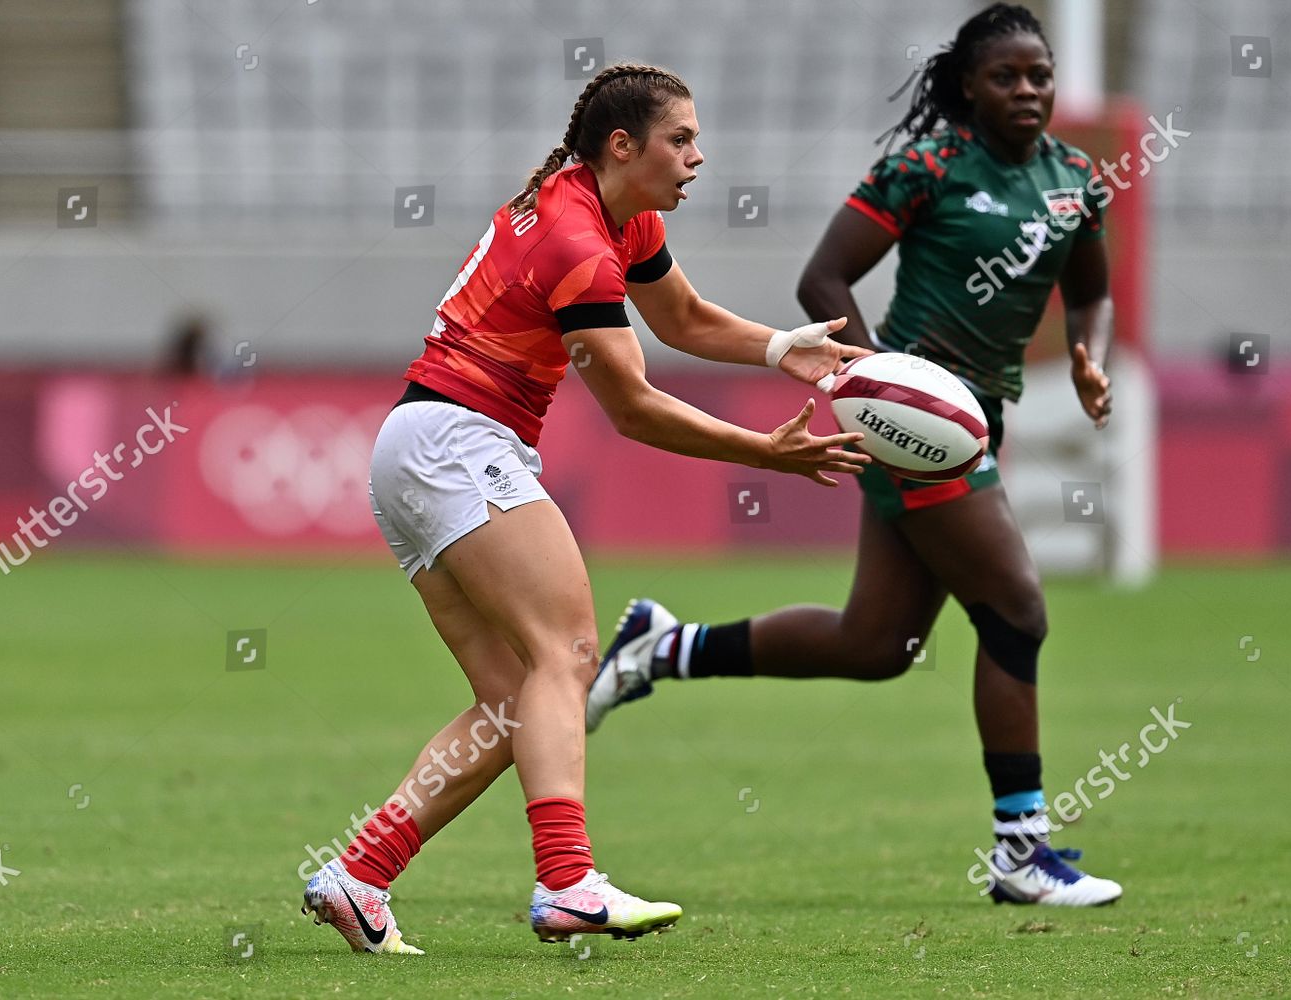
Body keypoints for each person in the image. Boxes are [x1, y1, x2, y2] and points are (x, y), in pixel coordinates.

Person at [299, 63, 870, 954]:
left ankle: (360, 874)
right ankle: (567, 884)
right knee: (567, 652)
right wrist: (765, 453)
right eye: (680, 139)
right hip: (458, 444)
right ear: (622, 145)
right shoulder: (574, 240)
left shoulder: (608, 208)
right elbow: (633, 407)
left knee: (512, 700)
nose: (698, 157)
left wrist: (777, 346)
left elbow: (676, 317)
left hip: (415, 446)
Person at [588, 4, 1122, 907]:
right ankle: (1021, 851)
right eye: (1006, 76)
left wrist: (1088, 353)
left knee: (877, 643)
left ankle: (662, 647)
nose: (1028, 90)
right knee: (1018, 611)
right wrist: (884, 387)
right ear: (965, 86)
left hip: (980, 416)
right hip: (920, 432)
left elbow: (1090, 289)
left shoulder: (1076, 179)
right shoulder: (926, 166)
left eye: (1040, 75)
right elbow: (821, 279)